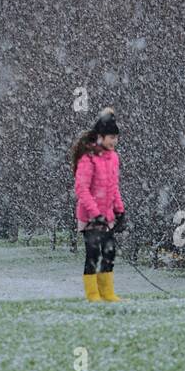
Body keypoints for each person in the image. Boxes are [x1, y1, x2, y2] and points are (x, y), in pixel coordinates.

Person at [73, 106, 125, 303]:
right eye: (111, 137)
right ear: (100, 137)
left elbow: (113, 187)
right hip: (90, 218)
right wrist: (95, 213)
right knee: (93, 254)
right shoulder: (88, 159)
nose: (114, 141)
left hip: (108, 216)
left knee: (110, 253)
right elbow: (82, 189)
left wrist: (119, 210)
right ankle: (93, 295)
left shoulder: (113, 158)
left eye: (116, 138)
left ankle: (108, 293)